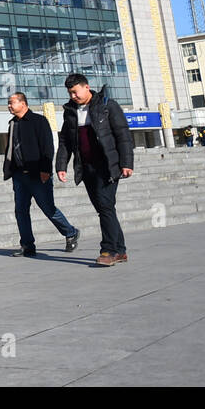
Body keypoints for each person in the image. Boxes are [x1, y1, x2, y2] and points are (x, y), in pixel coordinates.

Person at [54, 73, 134, 266]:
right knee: (105, 209)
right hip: (86, 167)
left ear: (86, 87)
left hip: (107, 166)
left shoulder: (107, 106)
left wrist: (127, 163)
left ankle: (108, 250)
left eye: (75, 91)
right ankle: (121, 250)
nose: (73, 96)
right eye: (70, 93)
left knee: (105, 207)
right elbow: (65, 140)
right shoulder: (70, 111)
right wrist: (61, 165)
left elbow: (123, 135)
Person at [4, 93, 79, 257]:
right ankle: (27, 245)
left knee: (48, 208)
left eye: (12, 103)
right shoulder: (12, 124)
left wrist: (45, 170)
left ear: (23, 103)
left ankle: (70, 232)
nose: (9, 106)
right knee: (21, 211)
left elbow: (47, 147)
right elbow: (10, 148)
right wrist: (9, 169)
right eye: (8, 103)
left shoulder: (39, 121)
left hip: (38, 175)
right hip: (19, 176)